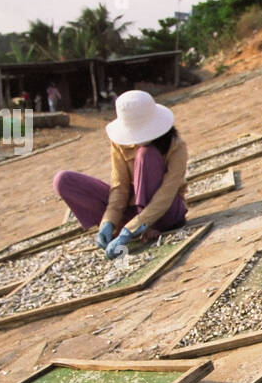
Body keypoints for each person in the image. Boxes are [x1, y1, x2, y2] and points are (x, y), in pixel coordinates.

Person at [53, 90, 189, 259]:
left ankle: (142, 228)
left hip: (164, 214)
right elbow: (120, 187)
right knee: (64, 180)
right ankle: (115, 232)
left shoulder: (177, 147)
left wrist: (135, 226)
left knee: (145, 155)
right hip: (132, 213)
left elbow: (167, 194)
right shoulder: (119, 143)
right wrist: (108, 221)